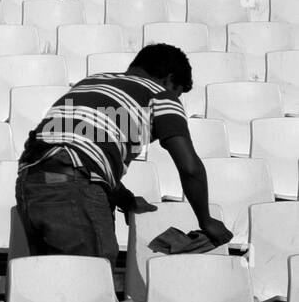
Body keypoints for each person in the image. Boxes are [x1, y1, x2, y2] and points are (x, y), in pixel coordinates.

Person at [14, 43, 233, 268]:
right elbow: (189, 166)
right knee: (89, 281)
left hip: (31, 181)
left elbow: (76, 155)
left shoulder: (90, 82)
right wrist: (206, 220)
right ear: (168, 80)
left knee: (54, 284)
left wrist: (125, 199)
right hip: (73, 187)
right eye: (177, 91)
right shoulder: (161, 95)